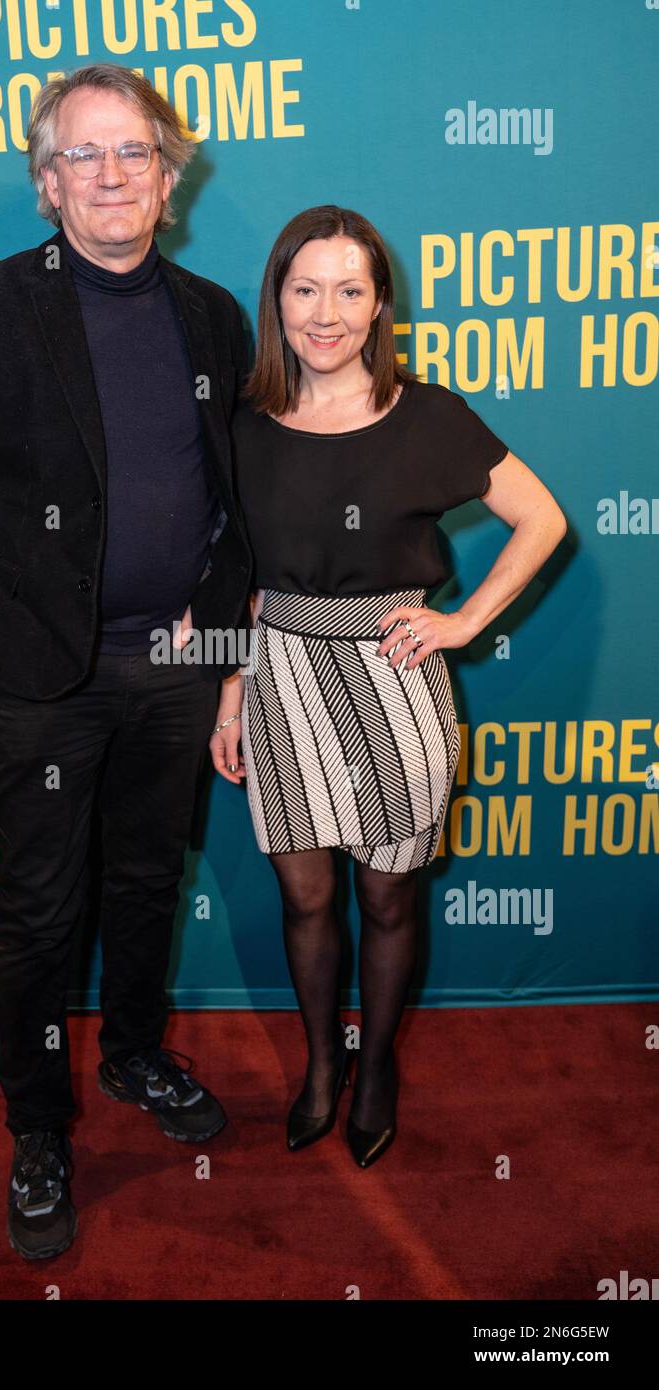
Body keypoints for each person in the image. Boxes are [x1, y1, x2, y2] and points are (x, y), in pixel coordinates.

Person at [0, 63, 252, 1260]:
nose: (109, 175)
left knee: (146, 885)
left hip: (176, 674)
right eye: (80, 156)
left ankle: (135, 1052)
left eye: (131, 151)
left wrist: (223, 633)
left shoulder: (211, 316)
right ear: (45, 183)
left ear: (168, 173)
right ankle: (39, 1127)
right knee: (39, 913)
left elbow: (237, 507)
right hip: (43, 684)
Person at [211, 205, 566, 1169]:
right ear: (277, 298)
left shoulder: (430, 415)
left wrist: (461, 621)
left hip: (395, 678)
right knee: (304, 896)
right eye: (305, 288)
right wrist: (235, 689)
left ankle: (376, 1072)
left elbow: (541, 519)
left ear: (379, 306)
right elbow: (240, 574)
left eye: (349, 291)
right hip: (283, 675)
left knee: (390, 897)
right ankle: (323, 1065)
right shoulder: (244, 423)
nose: (325, 313)